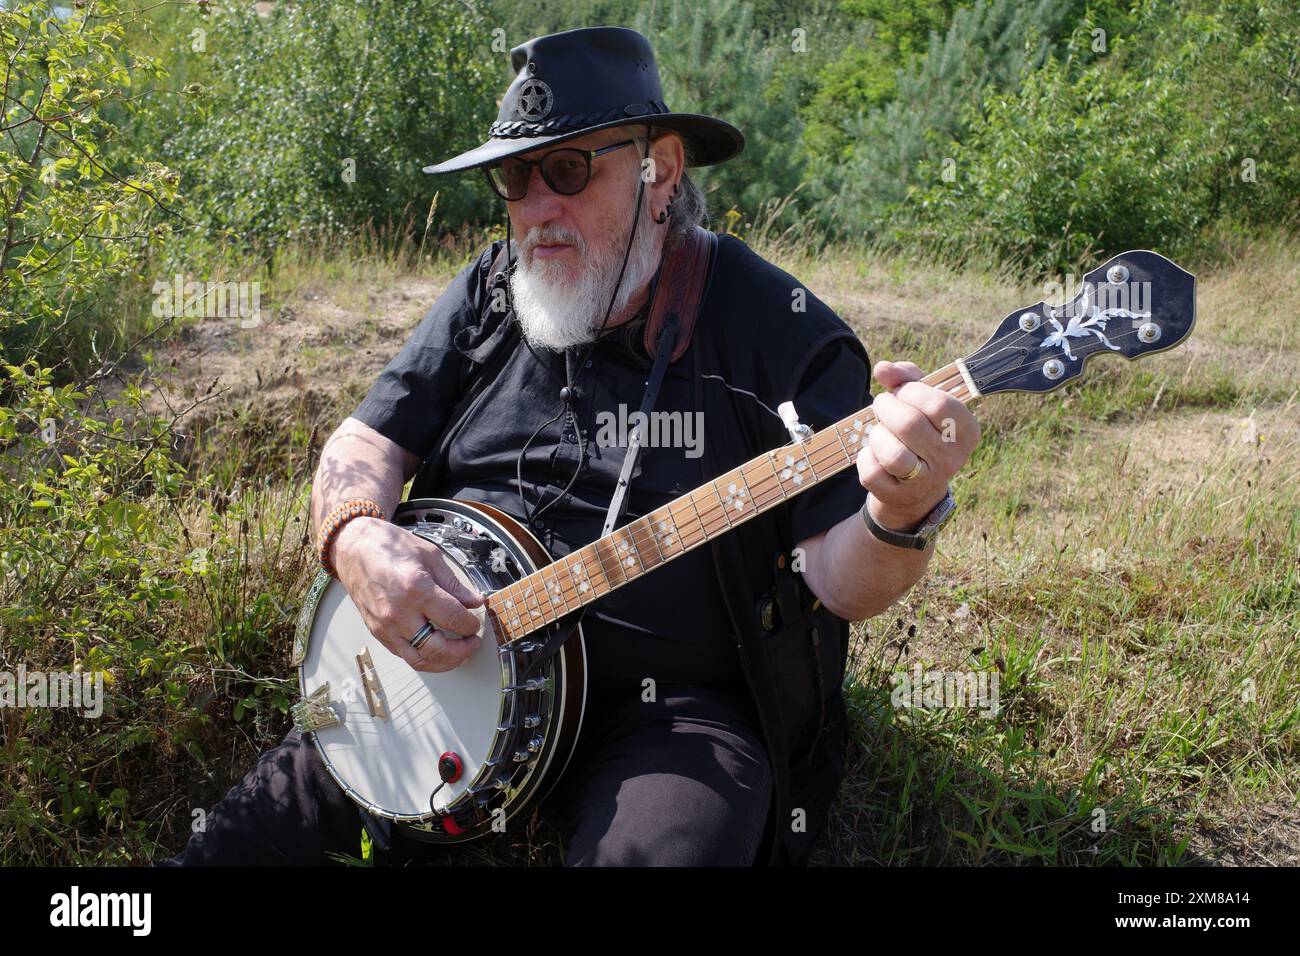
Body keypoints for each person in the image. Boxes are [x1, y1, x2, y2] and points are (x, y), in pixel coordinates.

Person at [164, 26, 980, 868]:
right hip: (435, 674)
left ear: (660, 170)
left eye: (568, 170)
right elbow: (366, 438)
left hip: (671, 720)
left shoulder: (779, 335)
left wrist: (902, 509)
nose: (537, 208)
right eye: (516, 177)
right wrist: (356, 540)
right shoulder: (489, 291)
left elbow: (840, 584)